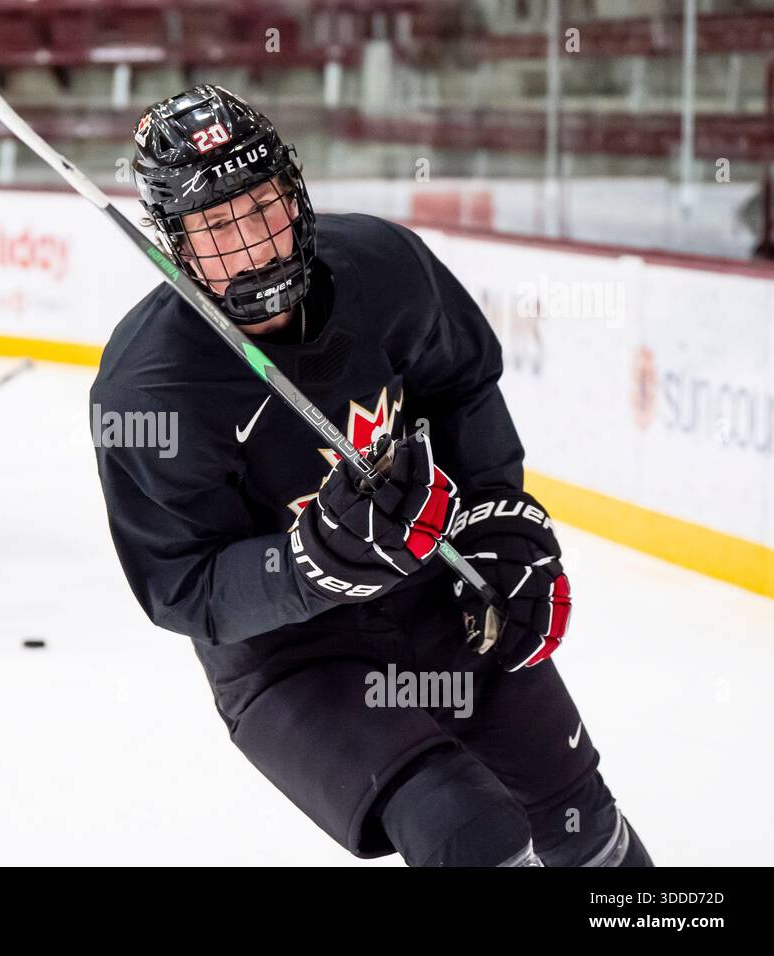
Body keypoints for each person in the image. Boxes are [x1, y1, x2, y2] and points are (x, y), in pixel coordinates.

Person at [90, 86, 652, 866]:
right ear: (174, 241)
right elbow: (182, 585)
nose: (256, 245)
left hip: (441, 591)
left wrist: (496, 522)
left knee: (581, 822)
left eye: (263, 206)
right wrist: (307, 565)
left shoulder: (381, 268)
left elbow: (462, 386)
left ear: (294, 188)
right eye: (217, 226)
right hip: (293, 659)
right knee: (468, 826)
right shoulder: (149, 390)